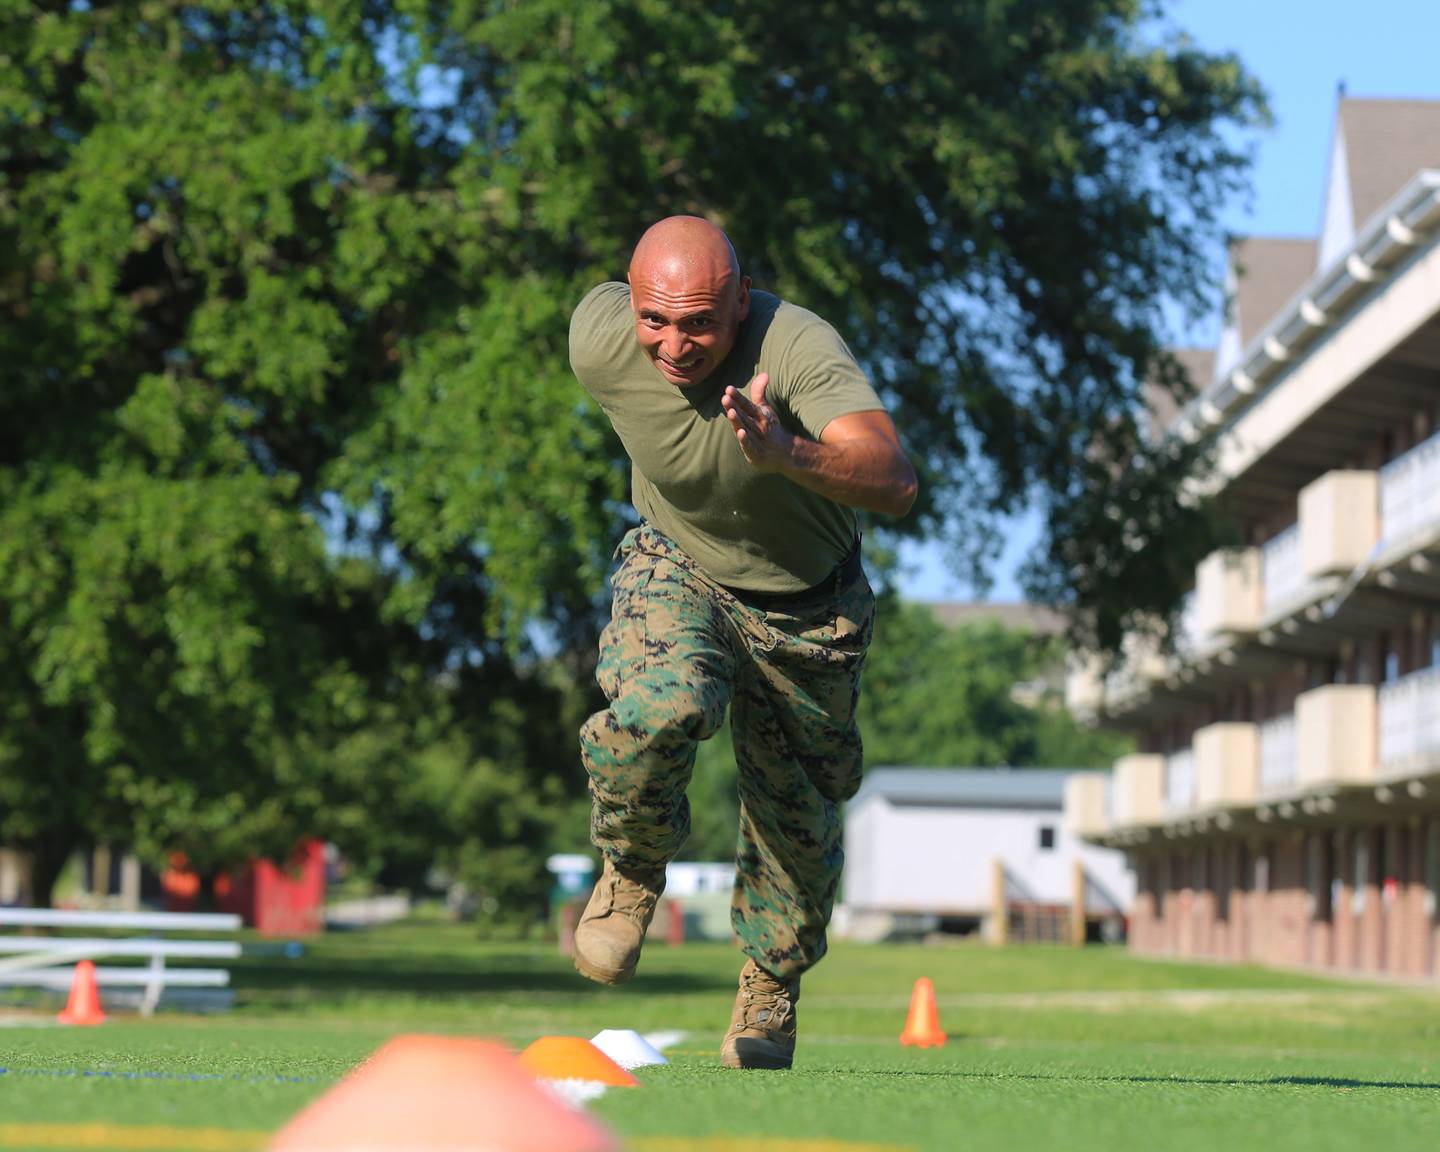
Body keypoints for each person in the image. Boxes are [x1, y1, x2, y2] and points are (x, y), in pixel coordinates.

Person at [568, 215, 917, 1069]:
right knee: (660, 702)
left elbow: (894, 477)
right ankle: (631, 870)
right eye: (656, 319)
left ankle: (770, 984)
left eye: (699, 323)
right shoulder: (598, 337)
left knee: (794, 815)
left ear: (743, 299)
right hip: (678, 560)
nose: (675, 344)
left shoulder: (795, 345)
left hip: (809, 609)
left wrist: (787, 451)